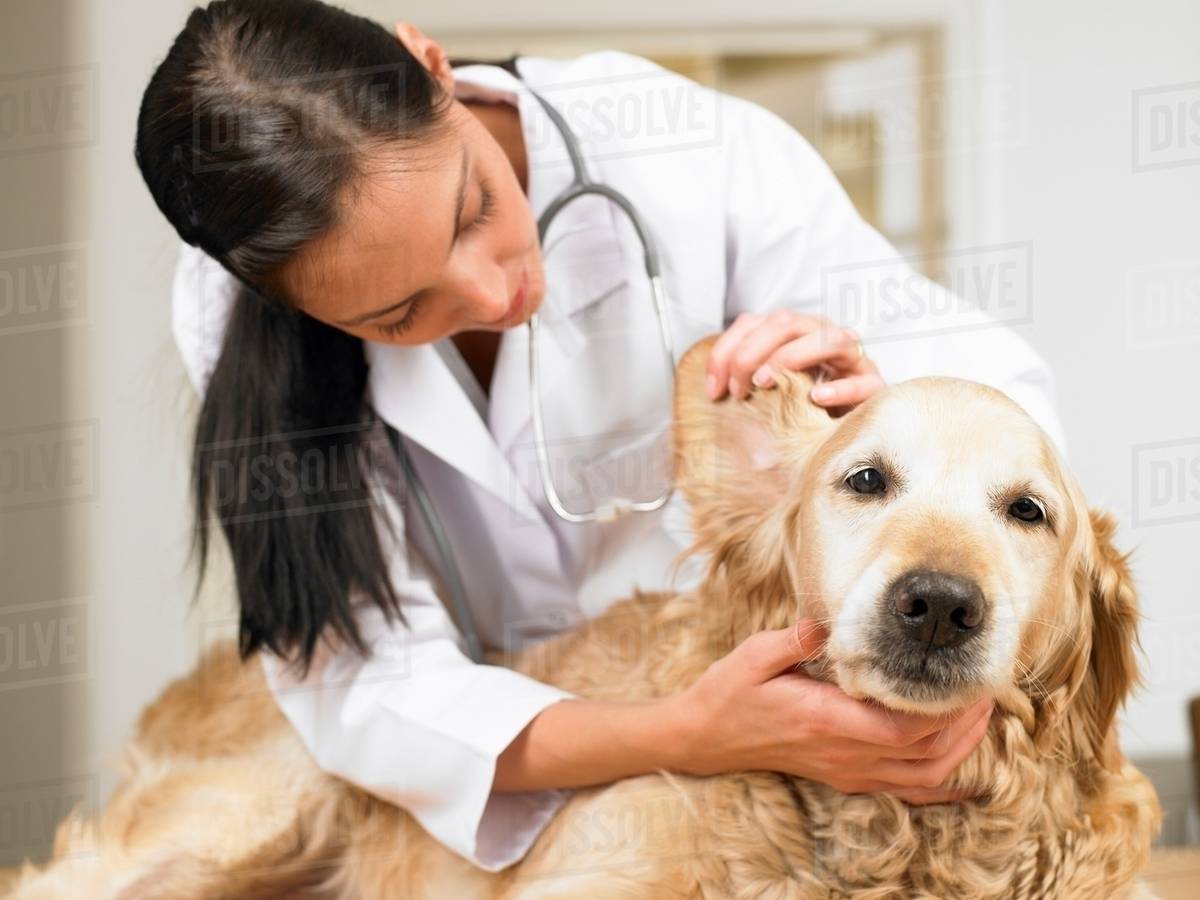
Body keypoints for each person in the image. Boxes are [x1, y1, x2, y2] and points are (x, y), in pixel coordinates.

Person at [138, 0, 1066, 873]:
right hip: (520, 759)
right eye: (400, 310)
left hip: (755, 698)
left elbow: (992, 396)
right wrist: (689, 731)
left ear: (432, 63)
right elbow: (368, 688)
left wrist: (879, 400)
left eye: (475, 210)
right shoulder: (242, 325)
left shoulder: (688, 149)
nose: (495, 295)